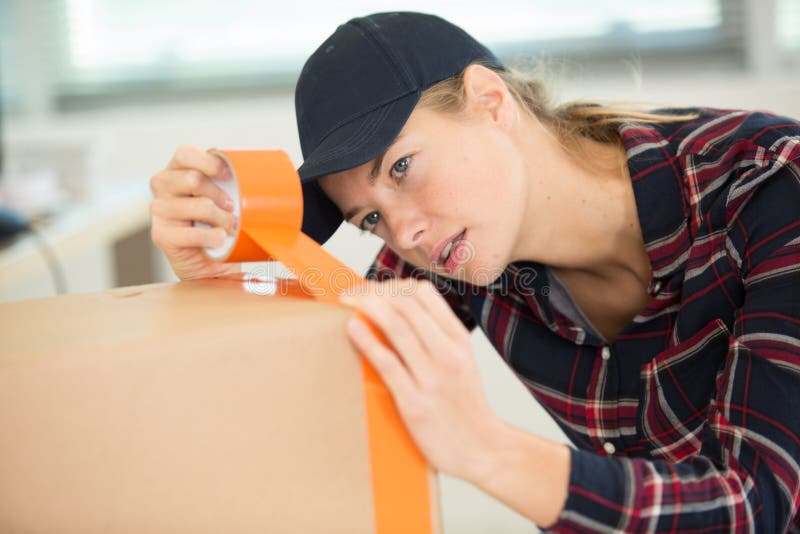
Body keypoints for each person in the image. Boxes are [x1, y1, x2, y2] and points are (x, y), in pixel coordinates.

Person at [149, 12, 800, 532]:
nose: (405, 235)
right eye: (369, 219)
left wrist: (484, 448)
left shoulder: (774, 184)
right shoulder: (460, 253)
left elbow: (759, 507)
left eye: (401, 167)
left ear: (490, 100)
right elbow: (331, 359)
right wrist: (217, 275)